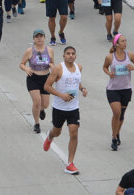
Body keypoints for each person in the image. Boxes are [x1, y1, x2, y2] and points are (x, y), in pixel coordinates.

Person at [42, 45, 87, 175]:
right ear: (64, 56)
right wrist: (61, 95)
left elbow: (76, 81)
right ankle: (50, 136)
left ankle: (70, 163)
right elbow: (46, 86)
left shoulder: (79, 67)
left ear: (76, 55)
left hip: (73, 108)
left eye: (73, 53)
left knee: (74, 133)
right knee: (57, 132)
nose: (71, 55)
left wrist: (82, 88)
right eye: (68, 53)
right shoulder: (58, 69)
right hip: (59, 108)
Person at [104, 33, 134, 151]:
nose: (125, 43)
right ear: (116, 44)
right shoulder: (110, 57)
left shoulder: (130, 55)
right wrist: (109, 73)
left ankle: (117, 132)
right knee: (117, 113)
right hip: (113, 89)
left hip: (126, 89)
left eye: (126, 41)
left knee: (121, 115)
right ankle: (114, 138)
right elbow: (105, 67)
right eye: (122, 41)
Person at [18, 29, 54, 133]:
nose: (39, 38)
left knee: (45, 104)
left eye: (41, 36)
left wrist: (52, 66)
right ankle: (37, 123)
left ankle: (41, 110)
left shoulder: (50, 50)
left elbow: (52, 63)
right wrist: (26, 69)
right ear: (33, 39)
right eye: (37, 36)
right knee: (37, 101)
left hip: (46, 78)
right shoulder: (30, 51)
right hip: (33, 77)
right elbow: (22, 64)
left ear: (44, 38)